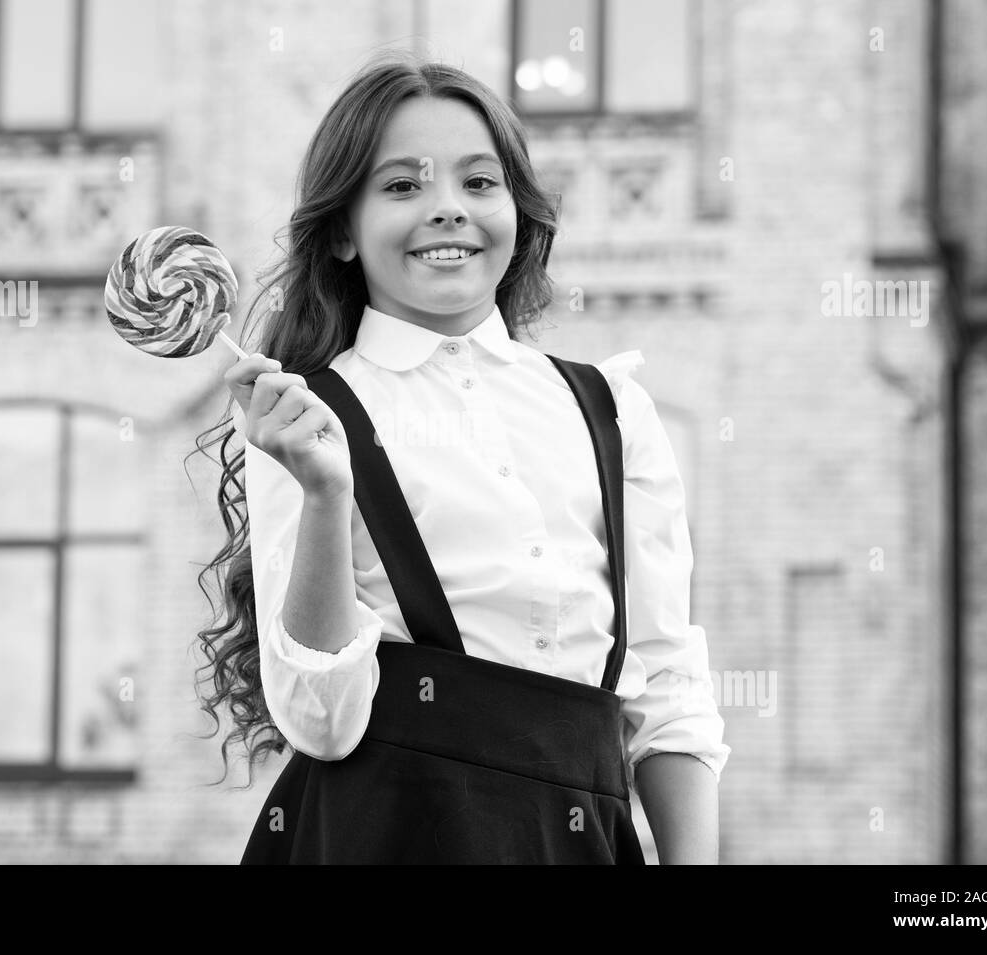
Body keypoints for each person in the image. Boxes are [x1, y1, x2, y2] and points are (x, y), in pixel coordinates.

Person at [195, 52, 730, 864]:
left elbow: (666, 688)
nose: (448, 209)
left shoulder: (611, 410)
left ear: (517, 210)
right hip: (381, 836)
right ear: (341, 229)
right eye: (403, 186)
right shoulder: (304, 420)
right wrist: (325, 492)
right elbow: (322, 723)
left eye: (479, 183)